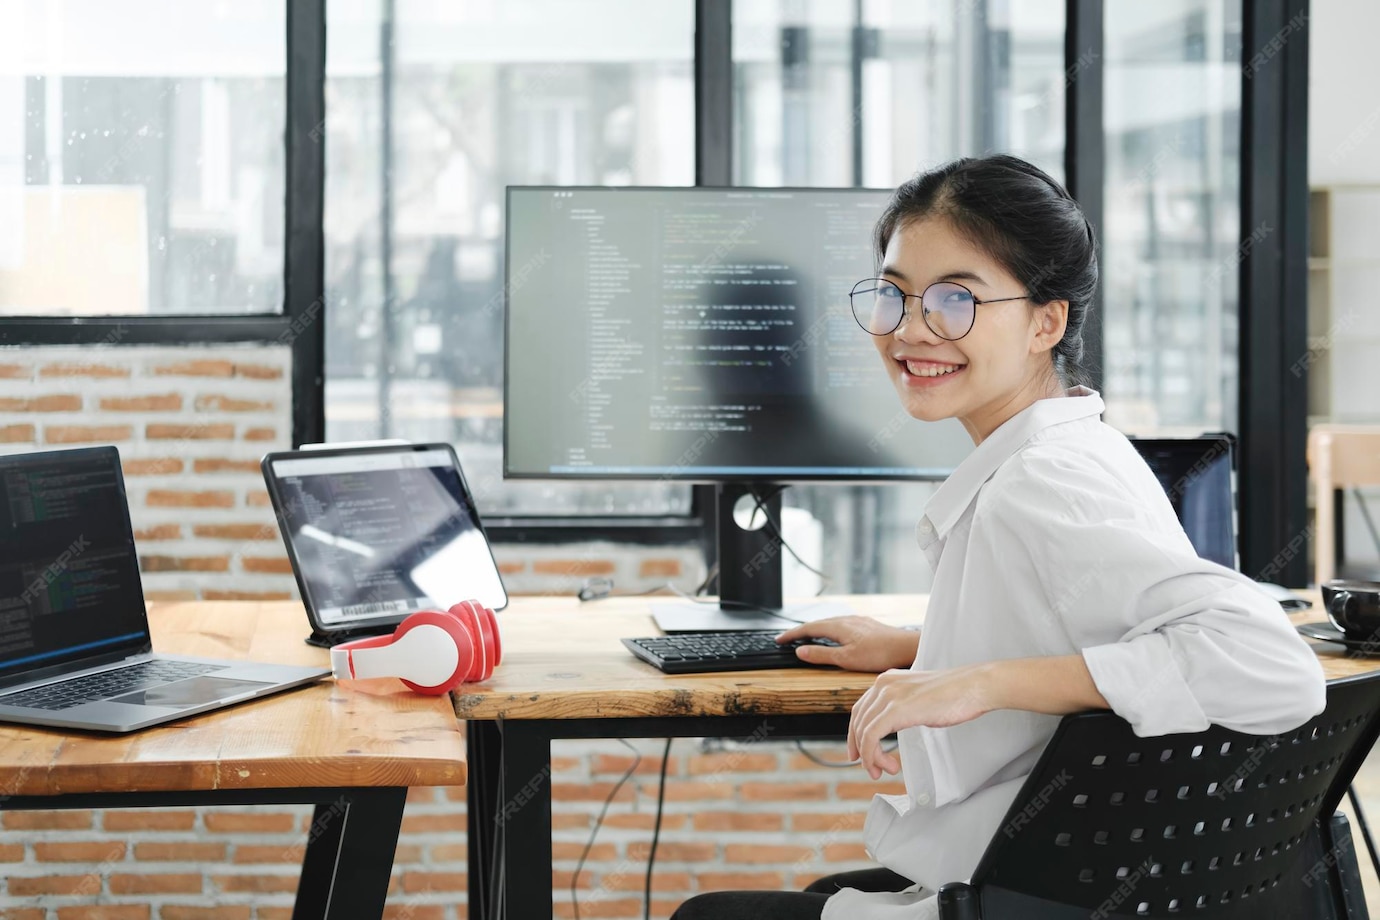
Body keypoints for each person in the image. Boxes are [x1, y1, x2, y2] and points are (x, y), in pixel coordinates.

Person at [668, 154, 1327, 920]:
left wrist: (973, 683)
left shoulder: (1041, 480)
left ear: (1047, 322)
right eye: (895, 296)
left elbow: (1273, 664)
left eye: (957, 299)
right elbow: (1094, 621)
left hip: (1025, 896)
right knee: (826, 894)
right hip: (1056, 879)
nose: (911, 331)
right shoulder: (1071, 444)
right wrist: (923, 646)